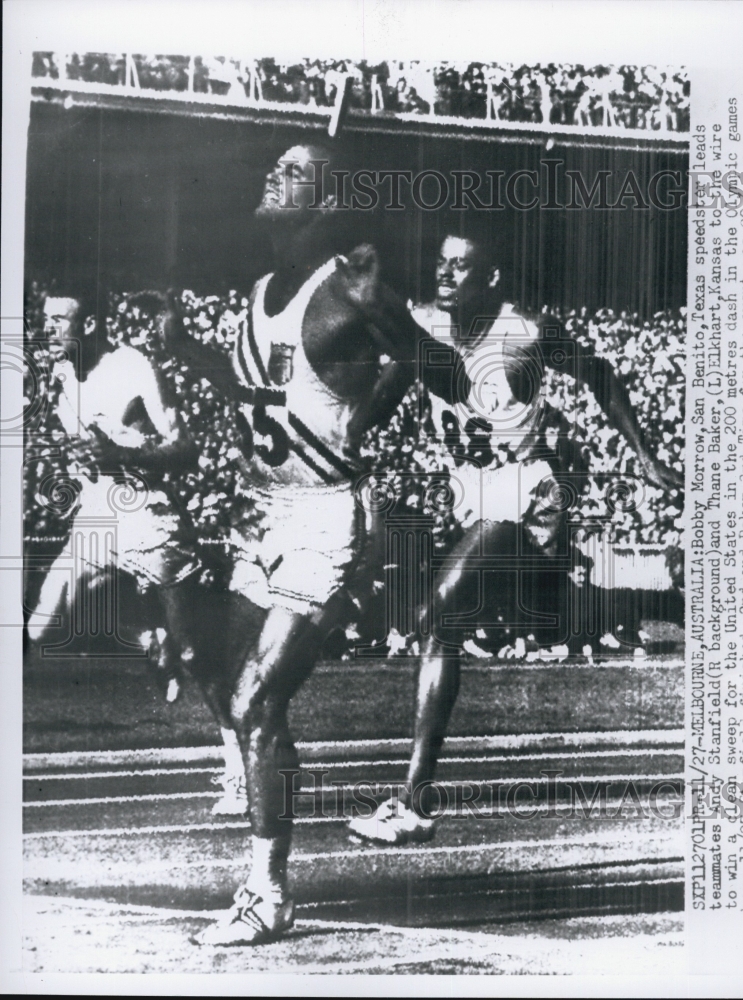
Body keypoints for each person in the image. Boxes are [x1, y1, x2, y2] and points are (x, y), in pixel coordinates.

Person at [163, 143, 470, 946]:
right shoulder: (262, 293)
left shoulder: (350, 287)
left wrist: (388, 365)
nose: (272, 174)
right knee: (215, 673)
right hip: (262, 512)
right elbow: (256, 393)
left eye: (294, 170)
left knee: (258, 700)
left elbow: (447, 374)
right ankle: (262, 807)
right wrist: (184, 349)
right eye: (271, 165)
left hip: (330, 518)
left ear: (328, 200)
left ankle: (267, 893)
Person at [346, 227, 682, 845]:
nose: (445, 275)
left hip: (525, 490)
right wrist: (344, 440)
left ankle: (414, 802)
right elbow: (391, 389)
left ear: (490, 277)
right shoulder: (424, 327)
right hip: (470, 495)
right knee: (443, 623)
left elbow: (600, 373)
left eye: (460, 266)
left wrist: (643, 456)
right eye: (441, 264)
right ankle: (416, 800)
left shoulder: (524, 330)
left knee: (439, 611)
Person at [26, 286, 197, 650]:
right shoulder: (63, 374)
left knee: (190, 651)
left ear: (88, 323)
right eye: (45, 320)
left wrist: (121, 456)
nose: (47, 330)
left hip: (144, 513)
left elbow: (187, 449)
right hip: (96, 516)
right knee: (41, 629)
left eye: (58, 320)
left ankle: (164, 633)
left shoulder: (131, 365)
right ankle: (144, 632)